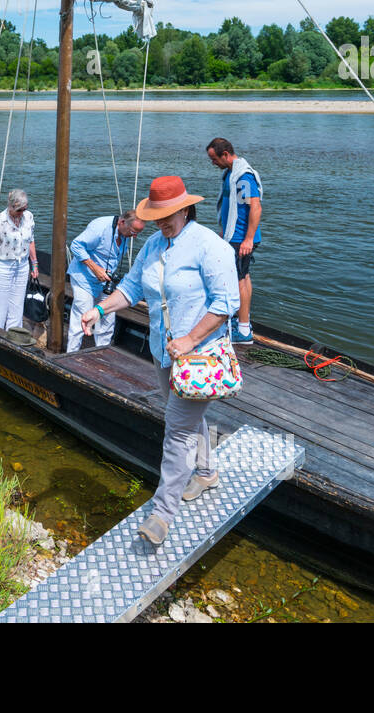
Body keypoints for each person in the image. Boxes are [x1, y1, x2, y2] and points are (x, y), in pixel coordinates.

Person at [80, 176, 239, 545]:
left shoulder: (210, 247)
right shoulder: (153, 245)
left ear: (185, 209)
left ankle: (162, 514)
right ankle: (207, 471)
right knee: (186, 416)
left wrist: (190, 339)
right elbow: (132, 289)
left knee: (178, 429)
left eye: (168, 215)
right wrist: (100, 310)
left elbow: (225, 303)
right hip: (161, 351)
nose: (162, 222)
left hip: (197, 356)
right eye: (157, 216)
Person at [206, 137, 262, 344]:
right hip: (233, 236)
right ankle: (243, 323)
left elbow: (255, 207)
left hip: (241, 239)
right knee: (243, 277)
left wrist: (248, 239)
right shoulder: (230, 174)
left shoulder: (243, 177)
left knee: (238, 280)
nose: (213, 163)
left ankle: (244, 331)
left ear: (226, 155)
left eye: (214, 159)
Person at [66, 212, 144, 351]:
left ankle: (102, 355)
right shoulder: (100, 227)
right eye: (133, 231)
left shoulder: (125, 233)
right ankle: (70, 355)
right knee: (82, 319)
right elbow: (76, 245)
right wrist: (95, 268)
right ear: (122, 222)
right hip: (84, 279)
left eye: (137, 233)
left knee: (108, 321)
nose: (134, 236)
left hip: (105, 282)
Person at [0, 189, 39, 331]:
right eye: (20, 210)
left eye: (25, 209)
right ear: (11, 206)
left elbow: (31, 241)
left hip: (22, 265)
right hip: (2, 267)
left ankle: (14, 337)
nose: (22, 212)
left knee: (17, 307)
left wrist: (35, 264)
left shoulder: (29, 217)